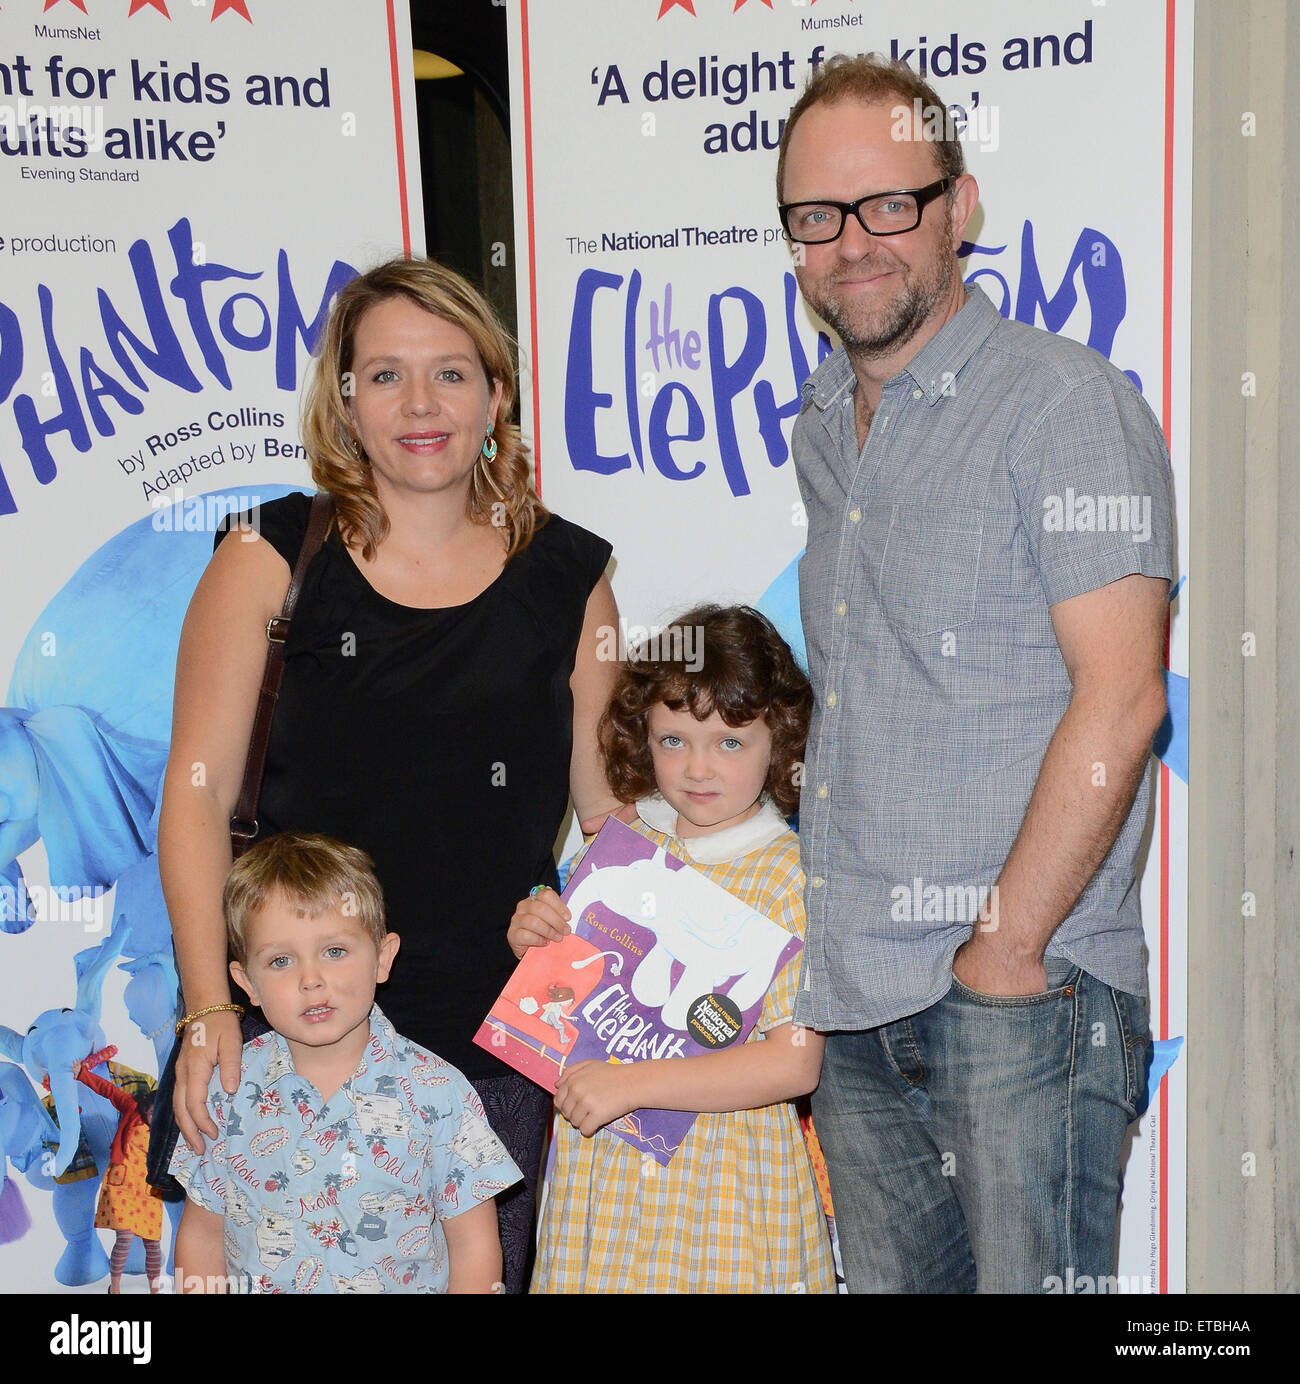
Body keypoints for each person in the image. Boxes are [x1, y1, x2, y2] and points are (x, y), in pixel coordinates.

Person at [776, 55, 1175, 1292]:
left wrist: (1004, 950)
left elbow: (1123, 695)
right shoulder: (821, 428)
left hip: (1021, 993)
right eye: (816, 217)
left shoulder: (1063, 404)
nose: (853, 244)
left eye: (889, 203)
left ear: (960, 205)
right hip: (854, 999)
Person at [155, 256, 620, 1293]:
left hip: (497, 1060)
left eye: (451, 374)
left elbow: (608, 821)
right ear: (345, 399)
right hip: (279, 1042)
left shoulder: (569, 576)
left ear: (496, 395)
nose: (421, 404)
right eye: (386, 375)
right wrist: (207, 1009)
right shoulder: (270, 555)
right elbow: (191, 795)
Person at [511, 606, 836, 1294]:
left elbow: (795, 1061)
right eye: (673, 739)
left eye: (729, 743)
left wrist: (632, 1085)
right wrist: (536, 940)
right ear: (640, 737)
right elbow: (561, 1003)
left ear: (781, 743)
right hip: (605, 1179)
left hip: (724, 1189)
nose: (696, 768)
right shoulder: (620, 849)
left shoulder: (789, 876)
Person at [170, 832, 521, 1293]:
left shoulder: (439, 1092)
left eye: (334, 952)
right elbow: (202, 1232)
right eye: (280, 961)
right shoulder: (227, 1091)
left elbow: (474, 1246)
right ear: (246, 983)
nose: (311, 980)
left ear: (382, 957)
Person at [72, 1064, 163, 1293]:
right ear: (146, 1108)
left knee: (152, 1243)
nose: (154, 1117)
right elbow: (109, 1090)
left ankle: (154, 1288)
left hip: (148, 1189)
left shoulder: (168, 1129)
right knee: (124, 1237)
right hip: (122, 1185)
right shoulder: (131, 1108)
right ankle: (115, 1287)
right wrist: (82, 1074)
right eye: (152, 1112)